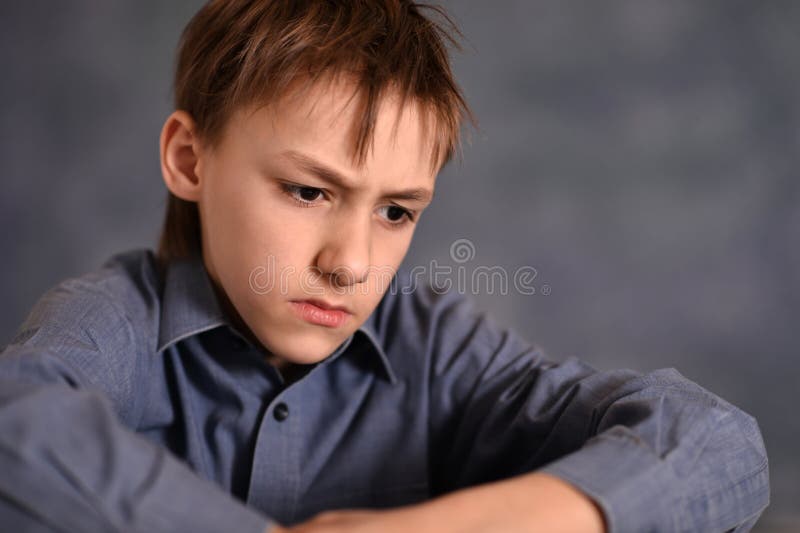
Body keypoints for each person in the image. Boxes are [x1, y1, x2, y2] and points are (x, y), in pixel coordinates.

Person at [0, 1, 769, 532]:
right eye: (307, 190)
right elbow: (14, 423)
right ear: (189, 160)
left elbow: (719, 444)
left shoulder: (437, 349)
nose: (352, 263)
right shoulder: (113, 318)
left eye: (396, 211)